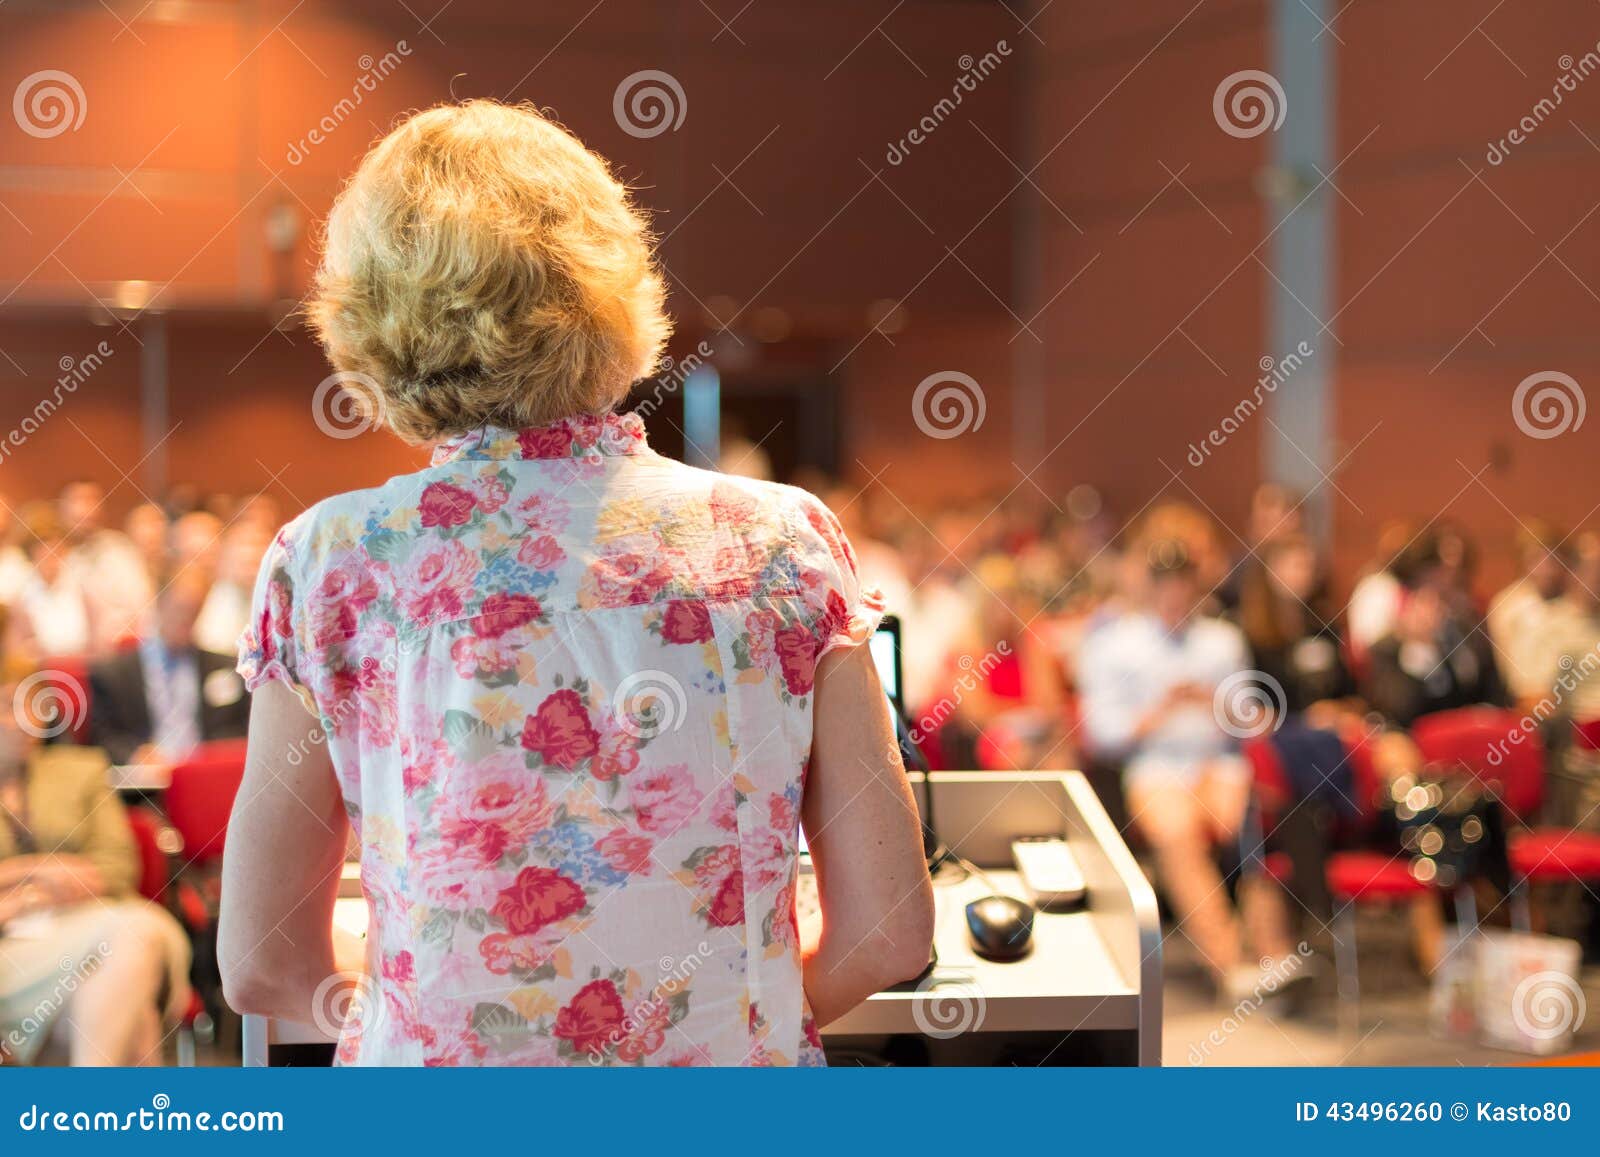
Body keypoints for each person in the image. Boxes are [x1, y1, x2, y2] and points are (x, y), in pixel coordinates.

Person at [217, 100, 934, 1067]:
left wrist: (418, 1015)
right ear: (612, 289)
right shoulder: (780, 540)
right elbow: (889, 928)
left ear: (370, 320)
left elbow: (262, 961)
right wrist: (728, 1021)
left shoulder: (328, 563)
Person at [1077, 540, 1297, 998]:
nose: (1176, 600)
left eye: (1185, 589)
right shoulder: (1114, 643)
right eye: (1167, 589)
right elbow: (1101, 734)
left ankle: (1273, 954)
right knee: (1179, 832)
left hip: (1218, 762)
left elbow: (1255, 723)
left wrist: (1212, 702)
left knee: (1252, 823)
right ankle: (1229, 964)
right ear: (1151, 590)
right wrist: (1160, 710)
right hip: (1155, 767)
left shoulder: (1223, 640)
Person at [0, 656, 191, 1065]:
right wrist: (45, 870)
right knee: (134, 1016)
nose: (19, 720)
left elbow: (119, 866)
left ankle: (87, 1111)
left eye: (29, 705)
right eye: (5, 705)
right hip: (11, 951)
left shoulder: (81, 769)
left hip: (91, 921)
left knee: (132, 939)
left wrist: (23, 892)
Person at [86, 571, 249, 767]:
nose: (185, 620)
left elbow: (240, 733)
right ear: (159, 603)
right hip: (144, 785)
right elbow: (104, 738)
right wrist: (134, 757)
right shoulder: (114, 674)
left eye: (194, 611)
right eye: (179, 609)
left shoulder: (227, 669)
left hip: (204, 776)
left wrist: (210, 757)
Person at [1486, 519, 1580, 706]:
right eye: (1536, 559)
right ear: (1522, 562)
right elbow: (1512, 677)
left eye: (1553, 559)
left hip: (1577, 699)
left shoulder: (1577, 602)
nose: (1545, 569)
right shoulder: (1508, 606)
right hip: (1528, 702)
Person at [58, 482, 153, 654]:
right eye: (77, 500)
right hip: (65, 655)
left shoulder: (120, 550)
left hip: (116, 652)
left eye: (91, 500)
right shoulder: (53, 553)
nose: (84, 509)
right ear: (62, 507)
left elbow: (143, 607)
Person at [6, 504, 90, 660]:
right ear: (32, 554)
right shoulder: (20, 598)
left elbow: (99, 641)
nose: (51, 557)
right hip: (41, 673)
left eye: (57, 550)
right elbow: (15, 652)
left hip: (82, 669)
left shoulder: (84, 589)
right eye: (43, 550)